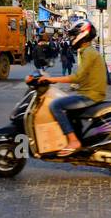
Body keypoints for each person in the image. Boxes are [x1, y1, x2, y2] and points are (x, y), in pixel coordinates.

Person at [38, 20, 105, 156]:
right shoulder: (87, 51)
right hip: (88, 92)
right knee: (65, 101)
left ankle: (73, 141)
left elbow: (77, 77)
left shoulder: (88, 53)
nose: (72, 39)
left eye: (74, 36)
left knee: (56, 105)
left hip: (90, 96)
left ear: (82, 35)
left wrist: (52, 79)